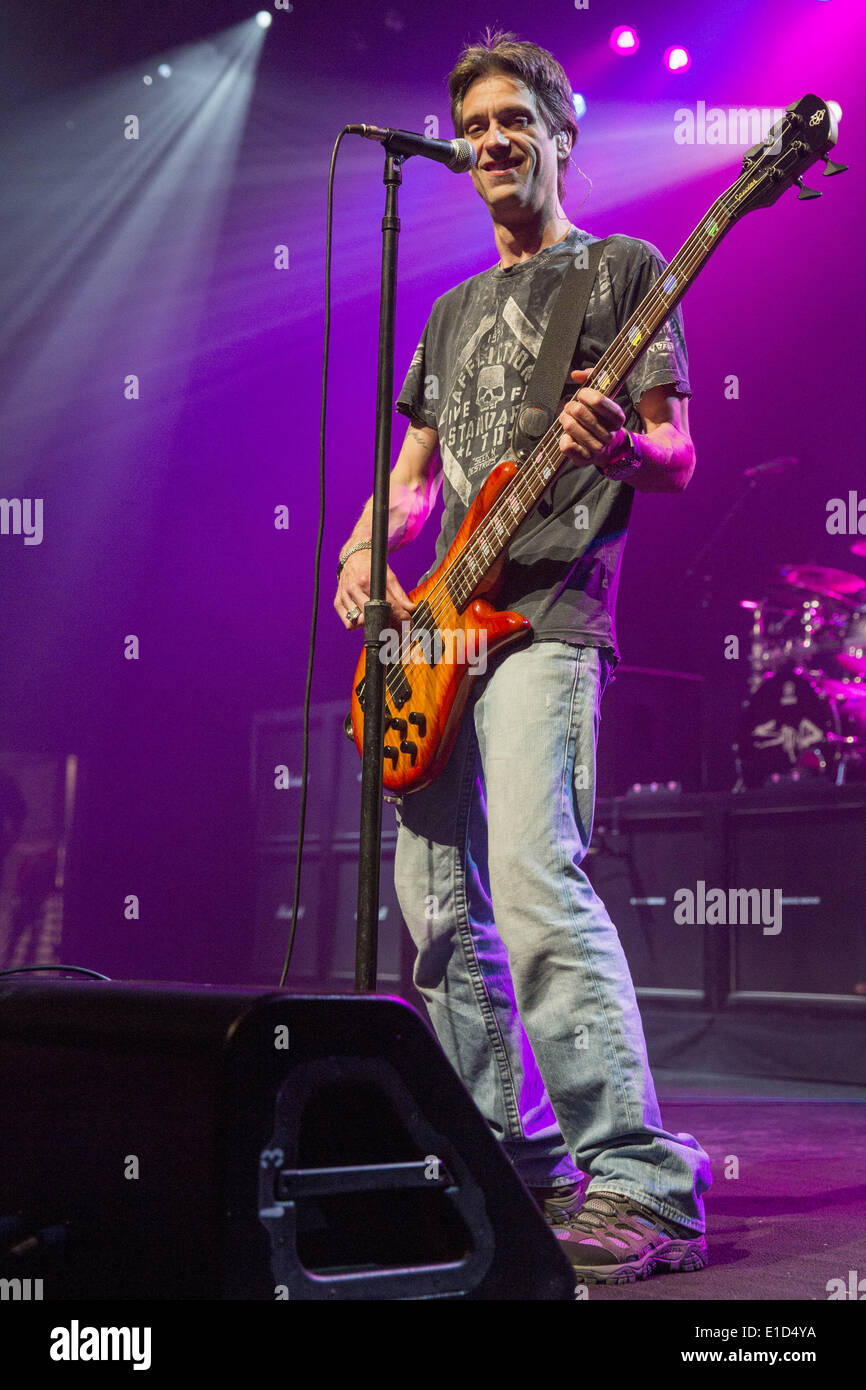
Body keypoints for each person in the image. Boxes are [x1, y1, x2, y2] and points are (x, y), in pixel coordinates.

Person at [334, 29, 711, 1284]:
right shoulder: (443, 313)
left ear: (559, 135)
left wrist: (615, 450)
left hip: (549, 617)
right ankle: (516, 1155)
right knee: (435, 911)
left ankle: (642, 1182)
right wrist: (356, 549)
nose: (491, 142)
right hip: (439, 628)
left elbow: (675, 453)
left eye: (514, 121)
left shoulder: (619, 270)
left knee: (533, 877)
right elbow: (411, 487)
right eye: (475, 126)